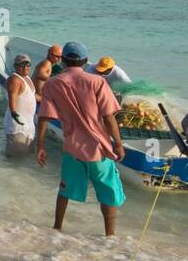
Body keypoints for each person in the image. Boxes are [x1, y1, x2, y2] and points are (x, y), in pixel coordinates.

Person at [36, 41, 126, 236]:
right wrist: (118, 144)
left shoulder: (52, 83)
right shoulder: (97, 82)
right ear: (85, 61)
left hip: (72, 148)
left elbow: (44, 116)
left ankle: (57, 228)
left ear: (64, 61)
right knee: (108, 193)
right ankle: (109, 237)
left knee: (65, 189)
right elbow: (109, 117)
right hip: (99, 149)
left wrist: (40, 146)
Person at [4, 53, 36, 156]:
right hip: (18, 127)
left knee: (25, 160)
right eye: (22, 64)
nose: (25, 67)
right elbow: (12, 96)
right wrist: (14, 113)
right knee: (14, 162)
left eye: (28, 64)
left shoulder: (27, 78)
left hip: (28, 127)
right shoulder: (15, 79)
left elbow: (31, 96)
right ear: (15, 66)